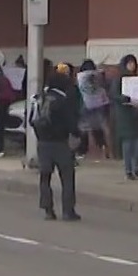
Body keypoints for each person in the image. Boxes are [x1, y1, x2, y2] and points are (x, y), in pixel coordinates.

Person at [33, 62, 81, 220]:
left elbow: (31, 119)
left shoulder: (40, 99)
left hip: (43, 144)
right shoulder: (63, 100)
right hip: (60, 143)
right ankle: (68, 211)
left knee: (45, 177)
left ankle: (48, 209)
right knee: (67, 177)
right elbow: (71, 123)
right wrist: (77, 135)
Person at [111, 54, 138, 181]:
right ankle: (129, 170)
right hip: (125, 116)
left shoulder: (137, 80)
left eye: (134, 63)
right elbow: (115, 95)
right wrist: (127, 99)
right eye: (130, 63)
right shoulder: (119, 80)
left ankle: (137, 167)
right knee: (128, 145)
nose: (132, 66)